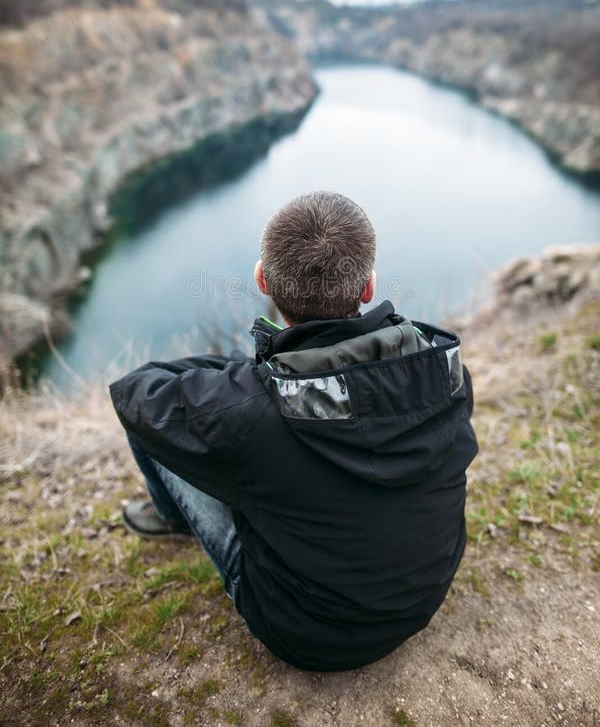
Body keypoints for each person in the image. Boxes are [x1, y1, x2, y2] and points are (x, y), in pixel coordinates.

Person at [109, 190, 478, 671]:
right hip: (423, 596)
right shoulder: (443, 371)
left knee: (159, 428)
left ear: (262, 280)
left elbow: (134, 393)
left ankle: (174, 519)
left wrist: (249, 369)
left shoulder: (245, 412)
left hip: (307, 635)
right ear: (368, 287)